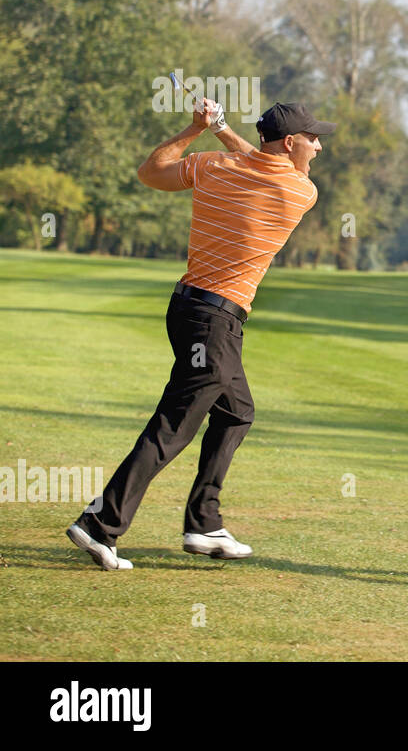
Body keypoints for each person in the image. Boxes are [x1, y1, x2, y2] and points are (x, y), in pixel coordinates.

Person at [66, 98, 334, 570]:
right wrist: (220, 129)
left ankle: (204, 522)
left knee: (236, 413)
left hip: (191, 310)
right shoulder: (298, 190)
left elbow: (151, 172)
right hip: (213, 322)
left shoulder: (213, 166)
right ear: (291, 143)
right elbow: (257, 159)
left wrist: (197, 130)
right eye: (314, 139)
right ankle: (99, 524)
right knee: (174, 425)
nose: (319, 147)